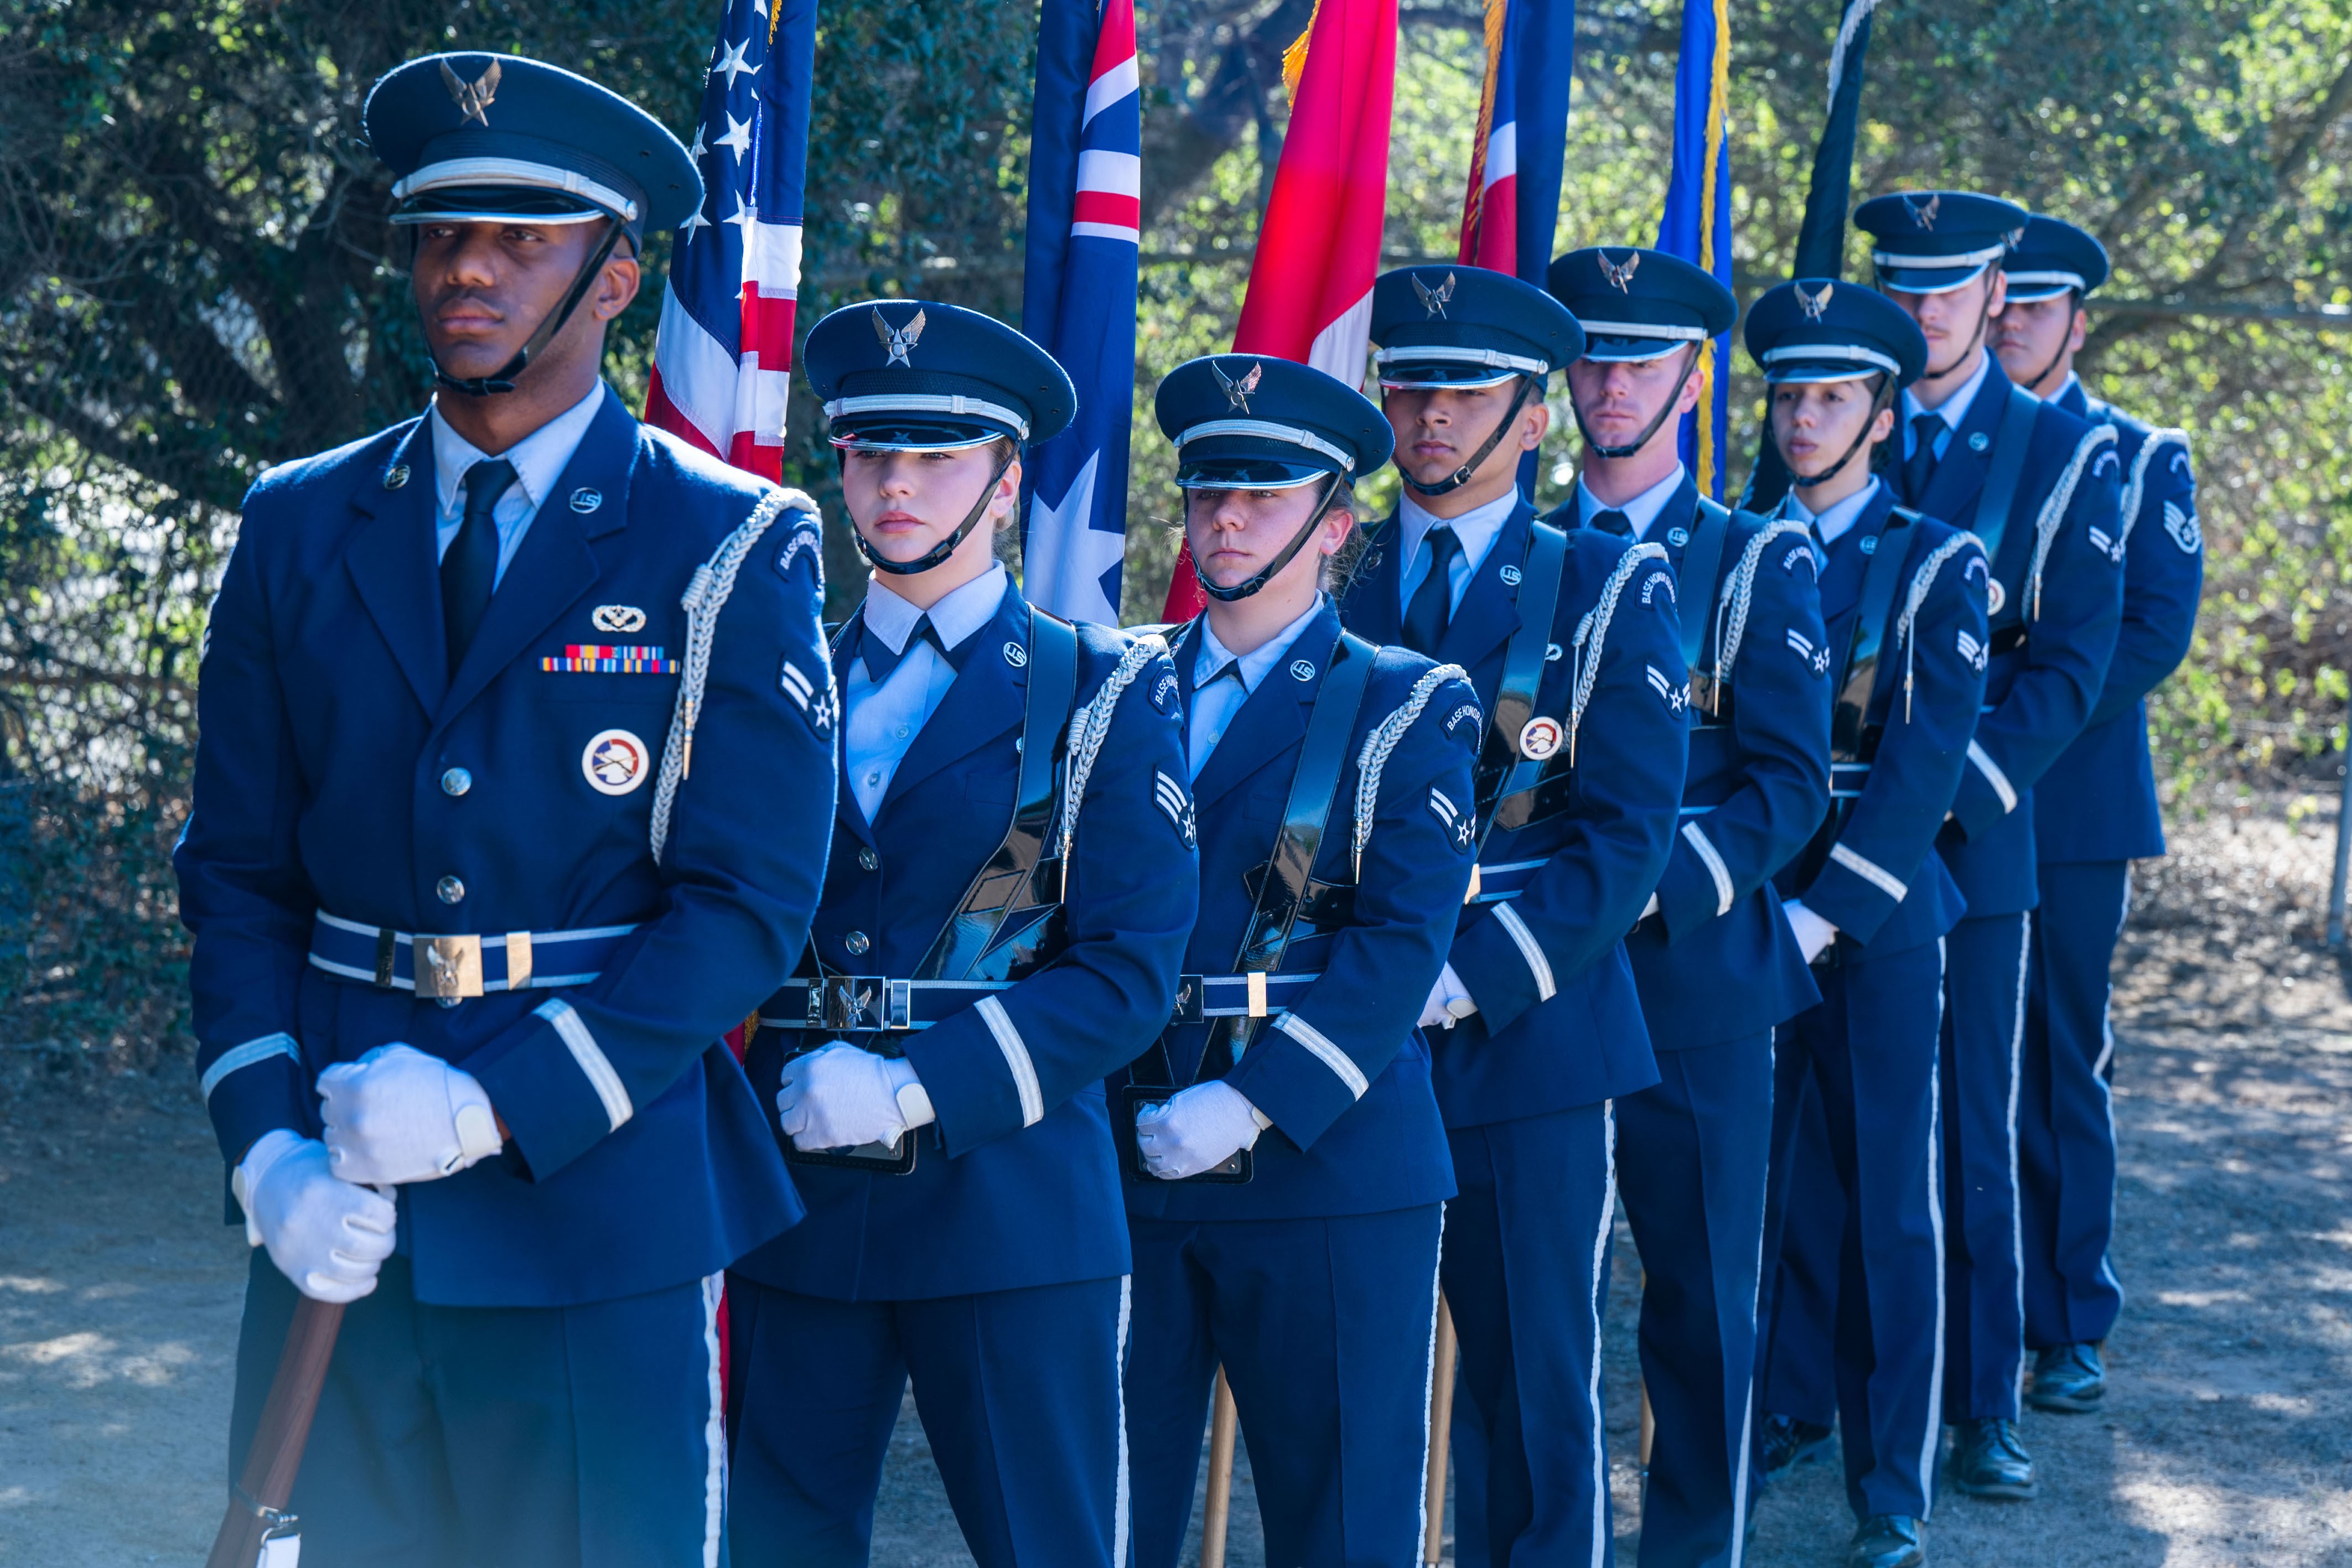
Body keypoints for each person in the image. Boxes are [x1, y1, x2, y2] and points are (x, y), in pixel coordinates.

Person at [175, 53, 835, 1566]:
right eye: (438, 232)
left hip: (588, 1207)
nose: (464, 268)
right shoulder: (298, 523)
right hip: (335, 1200)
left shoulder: (728, 542)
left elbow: (746, 903)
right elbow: (236, 877)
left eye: (522, 236)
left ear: (617, 275)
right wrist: (264, 1147)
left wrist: (496, 1103)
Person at [724, 298, 1196, 1568]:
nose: (897, 484)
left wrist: (921, 1086)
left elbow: (1129, 972)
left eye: (937, 458)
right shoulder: (774, 684)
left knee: (1043, 1544)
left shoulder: (1103, 689)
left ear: (1004, 482)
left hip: (1009, 1195)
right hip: (798, 1180)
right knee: (777, 1542)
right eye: (873, 453)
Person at [1340, 260, 1690, 1568]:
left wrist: (1471, 976)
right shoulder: (1334, 563)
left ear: (1533, 417)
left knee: (1531, 1385)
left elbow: (1626, 836)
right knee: (1344, 1376)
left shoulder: (1604, 584)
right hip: (1339, 1035)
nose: (1432, 414)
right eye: (1411, 385)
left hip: (1524, 1036)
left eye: (1468, 390)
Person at [1118, 352, 1481, 1568]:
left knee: (1340, 1526)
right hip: (1128, 1141)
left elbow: (1399, 943)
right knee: (1108, 1510)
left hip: (1329, 1166)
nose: (1225, 519)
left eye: (1263, 496)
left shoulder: (1406, 701)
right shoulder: (1116, 681)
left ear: (1333, 526)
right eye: (1209, 490)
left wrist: (1253, 1098)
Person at [1542, 247, 1834, 1566]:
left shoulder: (1754, 558)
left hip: (1693, 981)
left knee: (1700, 1297)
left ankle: (1691, 1549)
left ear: (1691, 377)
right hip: (1529, 980)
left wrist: (1633, 893)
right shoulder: (1522, 559)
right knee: (1526, 1301)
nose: (1610, 383)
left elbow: (1784, 789)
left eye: (1639, 360)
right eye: (1591, 358)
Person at [1857, 189, 2124, 1500]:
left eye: (1946, 291)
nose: (1921, 313)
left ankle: (1982, 1402)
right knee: (1829, 1125)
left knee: (1973, 1122)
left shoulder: (2061, 452)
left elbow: (2071, 661)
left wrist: (1934, 793)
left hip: (1968, 838)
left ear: (1993, 295)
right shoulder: (1826, 414)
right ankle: (1820, 1392)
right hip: (1825, 839)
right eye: (1901, 289)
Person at [1742, 278, 1990, 1568]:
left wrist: (1828, 914)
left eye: (1831, 397)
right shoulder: (1727, 549)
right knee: (1757, 1184)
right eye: (1788, 394)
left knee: (1890, 1197)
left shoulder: (1938, 562)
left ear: (1883, 416)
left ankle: (1890, 1480)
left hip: (1877, 917)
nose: (1802, 418)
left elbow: (1922, 764)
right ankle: (1770, 1407)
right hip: (1747, 906)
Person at [1994, 216, 2202, 1411]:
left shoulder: (2136, 455)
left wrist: (2015, 717)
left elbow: (2151, 630)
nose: (2012, 321)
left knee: (2062, 1054)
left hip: (2070, 806)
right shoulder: (1937, 445)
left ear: (2076, 323)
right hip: (1937, 803)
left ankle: (2069, 1318)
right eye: (2000, 302)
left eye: (2036, 308)